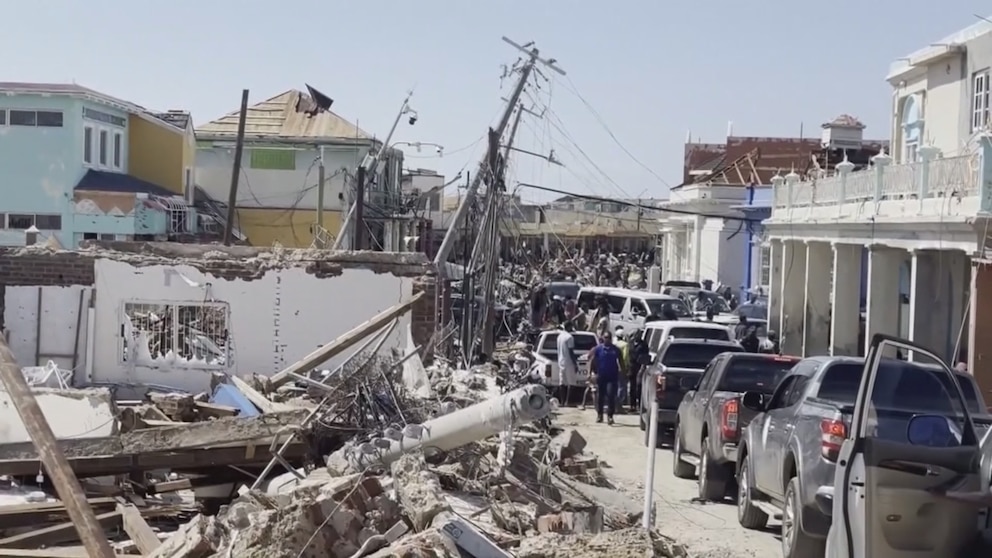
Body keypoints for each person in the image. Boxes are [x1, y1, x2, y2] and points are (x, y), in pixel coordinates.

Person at [588, 331, 623, 424]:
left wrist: (623, 372)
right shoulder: (598, 349)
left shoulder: (615, 349)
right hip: (601, 376)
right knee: (600, 396)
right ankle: (600, 415)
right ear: (603, 338)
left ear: (611, 338)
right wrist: (590, 373)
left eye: (608, 337)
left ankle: (610, 416)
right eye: (605, 337)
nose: (607, 339)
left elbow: (621, 361)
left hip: (612, 376)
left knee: (611, 395)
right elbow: (592, 361)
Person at [628, 329, 651, 413]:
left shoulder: (644, 345)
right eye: (636, 334)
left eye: (639, 334)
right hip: (631, 367)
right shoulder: (631, 343)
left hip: (639, 366)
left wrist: (643, 367)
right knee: (632, 387)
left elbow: (645, 356)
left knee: (639, 387)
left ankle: (640, 405)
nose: (637, 336)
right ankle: (632, 405)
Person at [556, 321, 578, 404]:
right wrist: (575, 363)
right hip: (568, 362)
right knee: (571, 383)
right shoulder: (569, 337)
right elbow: (571, 352)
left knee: (562, 382)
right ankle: (567, 401)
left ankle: (562, 401)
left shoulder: (559, 337)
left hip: (561, 361)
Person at [614, 327, 630, 411]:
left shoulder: (615, 344)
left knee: (616, 386)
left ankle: (615, 404)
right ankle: (619, 405)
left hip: (613, 367)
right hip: (621, 367)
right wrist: (626, 367)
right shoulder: (625, 345)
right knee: (622, 386)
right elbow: (625, 357)